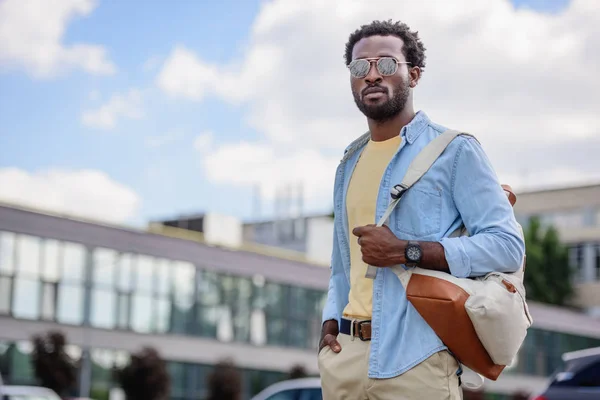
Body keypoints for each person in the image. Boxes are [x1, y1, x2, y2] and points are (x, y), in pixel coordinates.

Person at [318, 19, 525, 400]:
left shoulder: (455, 150)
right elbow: (341, 261)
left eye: (386, 63)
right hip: (344, 359)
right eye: (360, 67)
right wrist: (330, 319)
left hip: (416, 360)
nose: (372, 75)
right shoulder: (349, 162)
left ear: (413, 74)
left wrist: (406, 250)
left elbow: (507, 246)